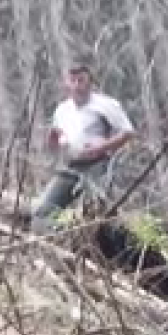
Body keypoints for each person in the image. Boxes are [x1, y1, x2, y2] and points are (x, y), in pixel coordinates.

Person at [31, 62, 137, 232]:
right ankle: (62, 242)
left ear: (90, 82)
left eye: (81, 80)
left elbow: (128, 132)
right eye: (72, 81)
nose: (77, 86)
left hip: (99, 166)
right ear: (66, 83)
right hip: (71, 166)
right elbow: (56, 139)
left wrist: (103, 146)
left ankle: (105, 247)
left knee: (97, 215)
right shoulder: (62, 110)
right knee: (42, 211)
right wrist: (53, 139)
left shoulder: (106, 105)